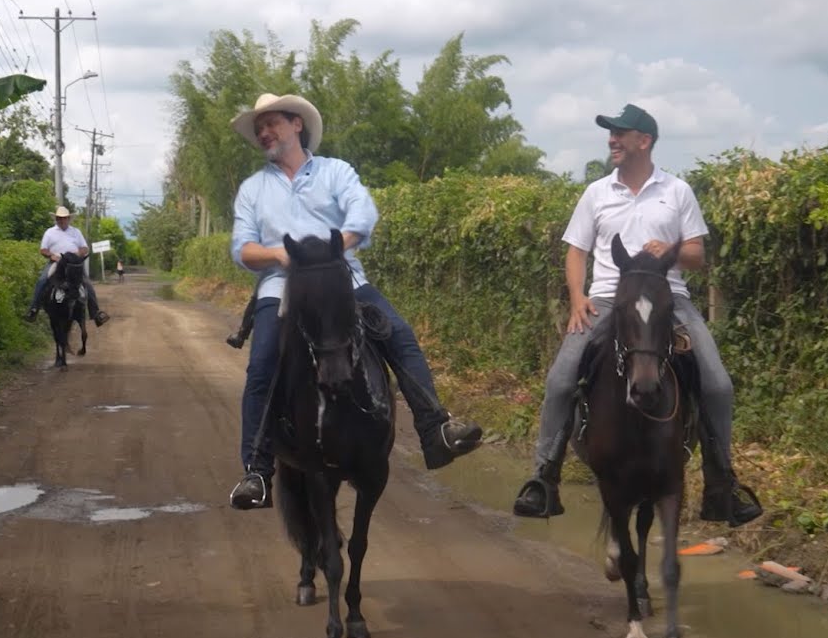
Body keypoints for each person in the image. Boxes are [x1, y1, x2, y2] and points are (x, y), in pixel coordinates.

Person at [225, 93, 484, 510]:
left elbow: (362, 216)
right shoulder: (253, 189)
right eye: (258, 129)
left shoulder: (336, 172)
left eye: (270, 123)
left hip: (343, 279)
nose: (263, 133)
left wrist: (330, 252)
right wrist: (278, 255)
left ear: (296, 125)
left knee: (399, 335)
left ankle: (436, 430)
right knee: (262, 364)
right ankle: (256, 471)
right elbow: (243, 248)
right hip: (281, 286)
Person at [511, 103, 762, 528]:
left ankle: (722, 487)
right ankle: (544, 478)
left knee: (718, 384)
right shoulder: (596, 193)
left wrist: (673, 251)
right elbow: (576, 251)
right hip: (607, 299)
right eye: (610, 133)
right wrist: (577, 298)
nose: (611, 139)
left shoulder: (677, 191)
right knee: (560, 378)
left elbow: (698, 255)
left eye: (619, 133)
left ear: (643, 141)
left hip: (669, 300)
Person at [24, 206, 111, 327]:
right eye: (59, 218)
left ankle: (95, 313)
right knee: (42, 280)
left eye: (64, 218)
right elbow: (43, 249)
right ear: (56, 219)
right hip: (57, 262)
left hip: (74, 264)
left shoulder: (76, 232)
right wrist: (51, 255)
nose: (62, 221)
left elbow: (85, 248)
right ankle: (34, 309)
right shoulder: (49, 232)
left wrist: (78, 254)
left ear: (68, 219)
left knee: (87, 284)